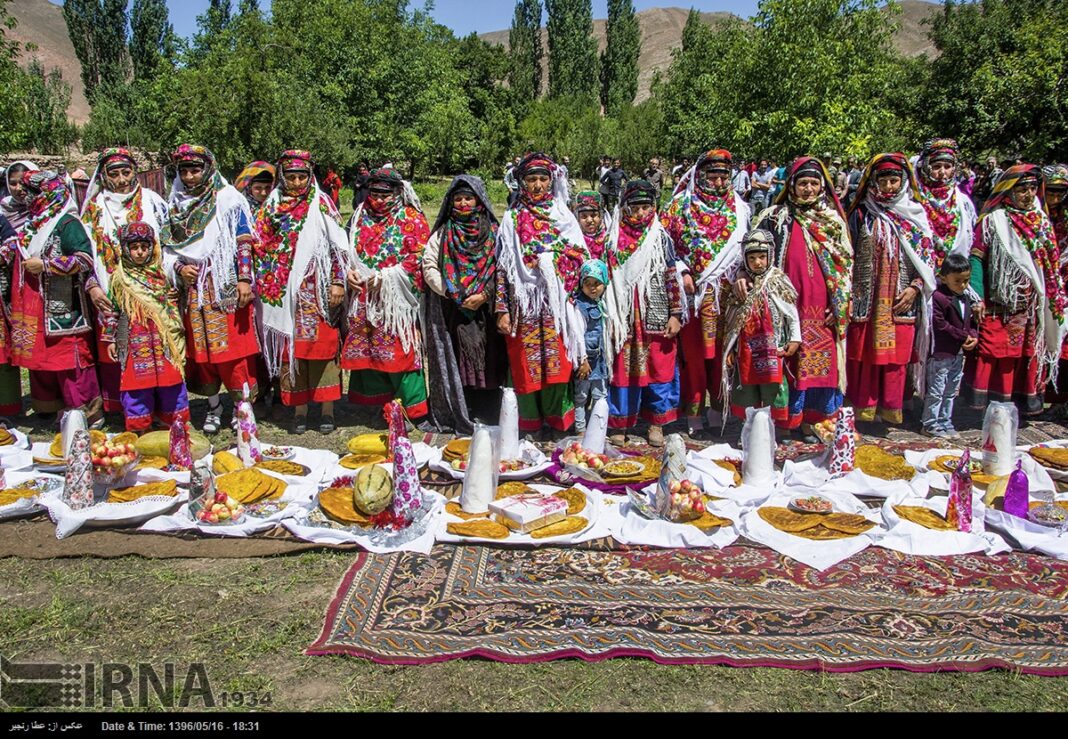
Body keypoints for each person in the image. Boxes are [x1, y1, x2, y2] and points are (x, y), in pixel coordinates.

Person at [744, 157, 852, 438]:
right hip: (783, 304)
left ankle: (813, 420)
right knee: (783, 359)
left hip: (821, 309)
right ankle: (781, 420)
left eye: (814, 183)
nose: (808, 189)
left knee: (817, 362)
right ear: (791, 185)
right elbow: (752, 254)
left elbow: (845, 265)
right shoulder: (774, 216)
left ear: (822, 187)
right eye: (802, 183)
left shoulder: (831, 222)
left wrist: (839, 305)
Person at [160, 144, 259, 435]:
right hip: (193, 287)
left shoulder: (228, 199)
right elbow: (167, 248)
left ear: (208, 168)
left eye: (195, 169)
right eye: (185, 171)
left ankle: (243, 408)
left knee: (233, 352)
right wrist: (178, 269)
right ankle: (214, 406)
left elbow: (243, 240)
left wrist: (244, 279)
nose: (190, 176)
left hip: (224, 283)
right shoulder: (176, 204)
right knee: (201, 352)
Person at [254, 150, 349, 435]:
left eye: (302, 176)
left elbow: (338, 248)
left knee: (322, 348)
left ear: (310, 176)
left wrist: (338, 282)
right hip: (283, 294)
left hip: (316, 289)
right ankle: (299, 410)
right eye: (291, 176)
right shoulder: (270, 207)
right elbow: (261, 246)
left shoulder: (322, 204)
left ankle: (328, 411)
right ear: (282, 177)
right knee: (291, 352)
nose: (296, 182)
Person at [495, 153, 589, 437]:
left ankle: (558, 422)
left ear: (551, 180)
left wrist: (550, 259)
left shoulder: (564, 216)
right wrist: (502, 309)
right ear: (521, 182)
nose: (537, 185)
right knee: (526, 365)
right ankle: (530, 425)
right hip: (523, 305)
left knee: (558, 363)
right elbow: (502, 267)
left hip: (556, 305)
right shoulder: (511, 219)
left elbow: (581, 257)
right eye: (531, 179)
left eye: (542, 179)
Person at [965, 164, 1068, 414]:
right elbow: (977, 256)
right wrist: (976, 295)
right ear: (1008, 190)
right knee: (994, 351)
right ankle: (989, 407)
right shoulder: (993, 221)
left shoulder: (1040, 220)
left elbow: (1049, 263)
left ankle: (1018, 406)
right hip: (999, 301)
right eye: (1022, 189)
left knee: (1027, 354)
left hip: (1032, 303)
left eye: (1033, 188)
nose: (1028, 194)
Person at [2, 171, 103, 426]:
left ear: (48, 195)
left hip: (64, 308)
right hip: (37, 306)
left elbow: (85, 258)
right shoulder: (35, 223)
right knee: (44, 360)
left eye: (33, 193)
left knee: (70, 361)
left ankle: (85, 412)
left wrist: (47, 265)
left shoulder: (66, 223)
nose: (28, 197)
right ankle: (55, 410)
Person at [663, 149, 751, 437]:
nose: (717, 181)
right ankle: (694, 413)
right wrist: (683, 270)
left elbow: (747, 250)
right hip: (694, 296)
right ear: (699, 175)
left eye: (723, 175)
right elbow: (666, 246)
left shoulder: (740, 208)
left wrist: (741, 273)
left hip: (726, 293)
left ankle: (718, 410)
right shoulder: (680, 206)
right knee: (694, 356)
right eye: (711, 175)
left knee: (723, 355)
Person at [846, 153, 937, 426]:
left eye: (894, 181)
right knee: (863, 353)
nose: (888, 187)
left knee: (896, 356)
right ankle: (863, 409)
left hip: (901, 296)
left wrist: (915, 287)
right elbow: (845, 252)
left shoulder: (914, 215)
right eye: (883, 181)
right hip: (867, 296)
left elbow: (928, 259)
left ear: (903, 182)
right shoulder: (861, 213)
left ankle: (892, 408)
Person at [81, 147, 170, 417]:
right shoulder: (94, 208)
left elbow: (169, 243)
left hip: (151, 290)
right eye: (114, 173)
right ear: (104, 176)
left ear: (134, 172)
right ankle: (124, 410)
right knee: (116, 345)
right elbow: (85, 252)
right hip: (110, 288)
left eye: (126, 172)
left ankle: (161, 410)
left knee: (155, 346)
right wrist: (93, 286)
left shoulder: (152, 201)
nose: (121, 179)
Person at [342, 167, 431, 420]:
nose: (379, 200)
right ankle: (377, 404)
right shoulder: (359, 216)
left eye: (385, 194)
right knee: (370, 349)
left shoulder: (411, 218)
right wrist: (349, 272)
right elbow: (345, 250)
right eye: (374, 193)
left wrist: (384, 278)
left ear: (397, 192)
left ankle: (413, 409)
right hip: (364, 295)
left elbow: (418, 257)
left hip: (395, 300)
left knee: (401, 351)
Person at [421, 175, 506, 433]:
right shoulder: (443, 233)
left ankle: (490, 411)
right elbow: (429, 265)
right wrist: (450, 292)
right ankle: (464, 410)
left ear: (479, 200)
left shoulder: (494, 232)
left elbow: (501, 266)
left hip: (487, 308)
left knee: (491, 358)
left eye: (468, 197)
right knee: (461, 362)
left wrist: (485, 294)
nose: (463, 203)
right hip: (454, 309)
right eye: (458, 198)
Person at [604, 180, 683, 447]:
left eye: (646, 207)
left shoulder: (660, 238)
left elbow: (672, 276)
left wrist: (676, 313)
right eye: (635, 207)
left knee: (659, 369)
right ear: (624, 208)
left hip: (656, 314)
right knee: (623, 370)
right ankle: (620, 422)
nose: (640, 214)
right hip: (624, 316)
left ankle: (656, 424)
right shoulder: (613, 238)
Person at [101, 221, 190, 432]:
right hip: (133, 340)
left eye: (144, 247)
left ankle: (174, 424)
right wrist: (110, 338)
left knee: (171, 380)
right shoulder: (119, 278)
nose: (140, 253)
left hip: (163, 339)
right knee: (136, 385)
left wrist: (175, 297)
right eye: (134, 248)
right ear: (125, 249)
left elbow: (177, 300)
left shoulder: (162, 274)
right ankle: (139, 428)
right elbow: (112, 309)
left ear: (152, 248)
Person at [722, 229, 800, 423]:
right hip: (746, 349)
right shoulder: (741, 286)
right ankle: (748, 431)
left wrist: (795, 338)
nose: (757, 262)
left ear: (770, 256)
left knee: (772, 388)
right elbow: (732, 320)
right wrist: (729, 349)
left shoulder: (778, 281)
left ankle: (770, 431)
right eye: (752, 258)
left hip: (772, 349)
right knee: (746, 387)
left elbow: (791, 313)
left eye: (762, 257)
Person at [921, 253, 977, 439]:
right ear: (944, 278)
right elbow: (940, 323)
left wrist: (973, 337)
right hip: (942, 352)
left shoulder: (967, 296)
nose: (962, 285)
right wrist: (963, 336)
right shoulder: (938, 297)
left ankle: (945, 421)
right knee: (937, 390)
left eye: (966, 281)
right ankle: (930, 423)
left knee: (951, 390)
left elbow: (971, 322)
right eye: (957, 281)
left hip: (959, 353)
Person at [0, 160, 39, 419]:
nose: (18, 188)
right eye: (12, 183)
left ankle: (18, 406)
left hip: (30, 284)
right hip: (9, 286)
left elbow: (9, 245)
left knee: (25, 345)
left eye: (23, 182)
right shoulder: (3, 211)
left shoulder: (45, 210)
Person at [915, 138, 977, 271]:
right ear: (925, 166)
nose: (942, 172)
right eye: (937, 167)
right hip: (921, 273)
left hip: (956, 276)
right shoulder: (914, 199)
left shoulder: (964, 203)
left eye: (947, 167)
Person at [1043, 164, 1068, 411]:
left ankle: (1061, 400)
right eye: (1050, 191)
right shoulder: (1033, 215)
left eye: (1061, 193)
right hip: (1041, 284)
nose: (1055, 198)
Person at [573, 259, 608, 435]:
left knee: (600, 394)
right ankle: (580, 429)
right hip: (586, 360)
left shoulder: (605, 303)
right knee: (581, 396)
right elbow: (578, 334)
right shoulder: (580, 306)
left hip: (600, 361)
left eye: (597, 283)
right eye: (587, 284)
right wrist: (582, 359)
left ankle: (598, 429)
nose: (592, 288)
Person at [573, 190, 611, 260]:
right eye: (584, 216)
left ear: (601, 216)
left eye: (593, 215)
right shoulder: (573, 239)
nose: (589, 220)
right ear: (577, 218)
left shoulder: (609, 238)